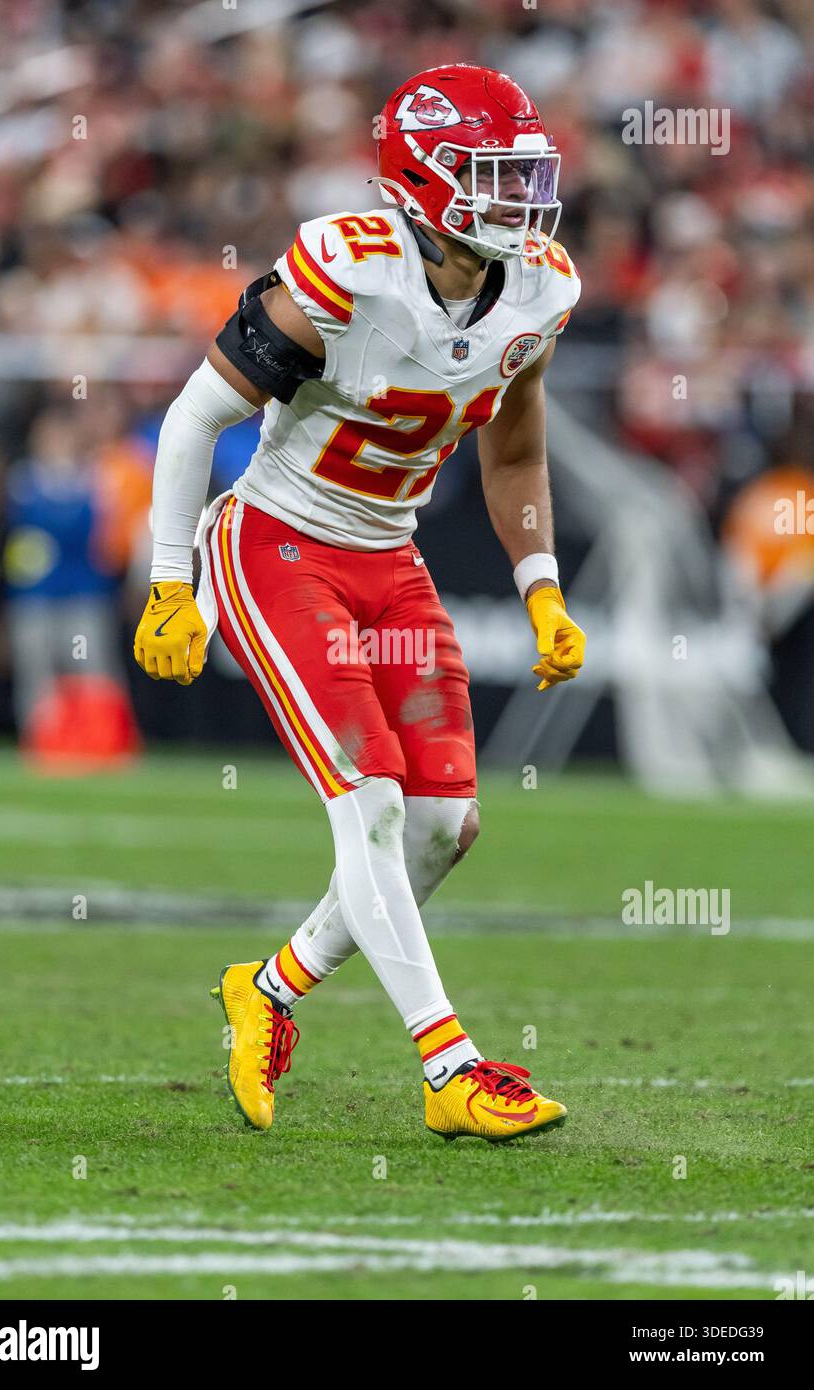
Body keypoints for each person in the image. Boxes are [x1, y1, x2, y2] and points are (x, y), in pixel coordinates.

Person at [133, 65, 586, 1142]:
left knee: (444, 825)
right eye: (493, 172)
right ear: (424, 181)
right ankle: (449, 1065)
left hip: (390, 554)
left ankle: (269, 991)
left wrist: (541, 588)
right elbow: (194, 420)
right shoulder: (344, 273)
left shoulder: (541, 289)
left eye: (524, 170)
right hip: (276, 545)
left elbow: (514, 448)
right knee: (371, 801)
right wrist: (168, 580)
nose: (519, 196)